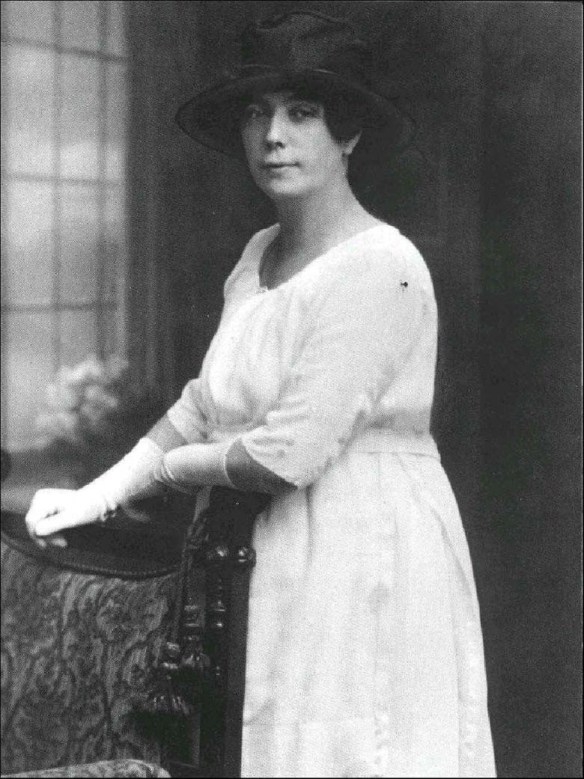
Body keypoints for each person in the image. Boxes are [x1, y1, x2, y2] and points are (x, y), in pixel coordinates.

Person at [25, 11, 496, 779]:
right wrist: (97, 495)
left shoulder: (382, 266)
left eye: (301, 112)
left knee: (356, 747)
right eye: (256, 112)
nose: (273, 135)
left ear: (348, 132)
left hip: (362, 549)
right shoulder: (258, 255)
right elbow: (205, 402)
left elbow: (287, 455)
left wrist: (169, 474)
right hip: (262, 549)